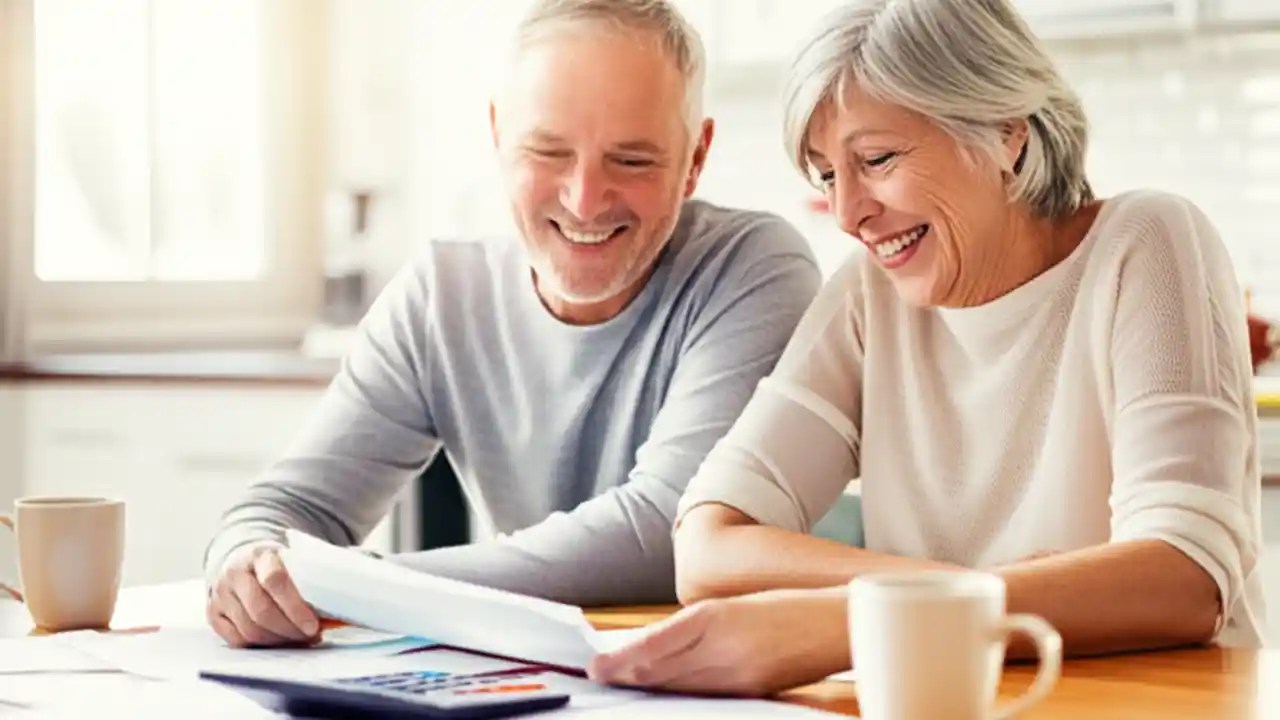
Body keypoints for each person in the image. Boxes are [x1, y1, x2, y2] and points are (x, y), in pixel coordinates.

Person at [589, 0, 1266, 696]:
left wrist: (845, 621)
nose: (849, 213)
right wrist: (946, 599)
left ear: (1007, 131)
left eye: (876, 160)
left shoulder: (1144, 242)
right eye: (827, 175)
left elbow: (1184, 578)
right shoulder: (867, 298)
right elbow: (707, 545)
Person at [203, 0, 821, 649]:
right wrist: (248, 564)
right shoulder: (442, 298)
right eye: (549, 151)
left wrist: (364, 587)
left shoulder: (755, 269)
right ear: (499, 135)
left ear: (695, 157)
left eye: (632, 161)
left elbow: (664, 533)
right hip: (541, 677)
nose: (584, 198)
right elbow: (287, 509)